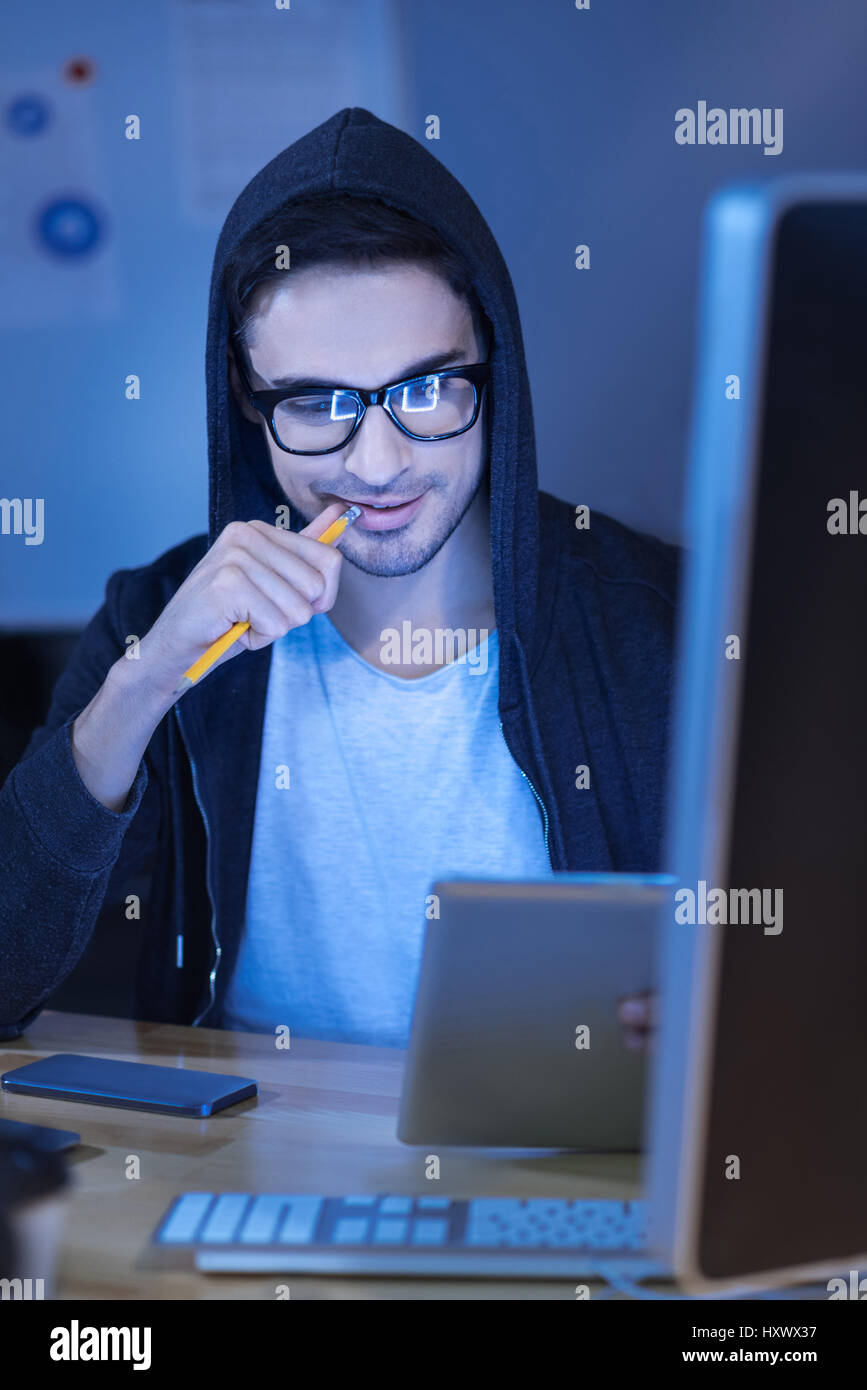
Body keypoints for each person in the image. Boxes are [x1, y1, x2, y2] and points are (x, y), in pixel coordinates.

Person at [0, 108, 676, 1047]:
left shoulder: (667, 624)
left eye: (425, 389)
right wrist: (145, 682)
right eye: (316, 403)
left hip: (576, 1172)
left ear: (494, 369)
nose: (378, 460)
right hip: (246, 1171)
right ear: (246, 398)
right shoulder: (153, 619)